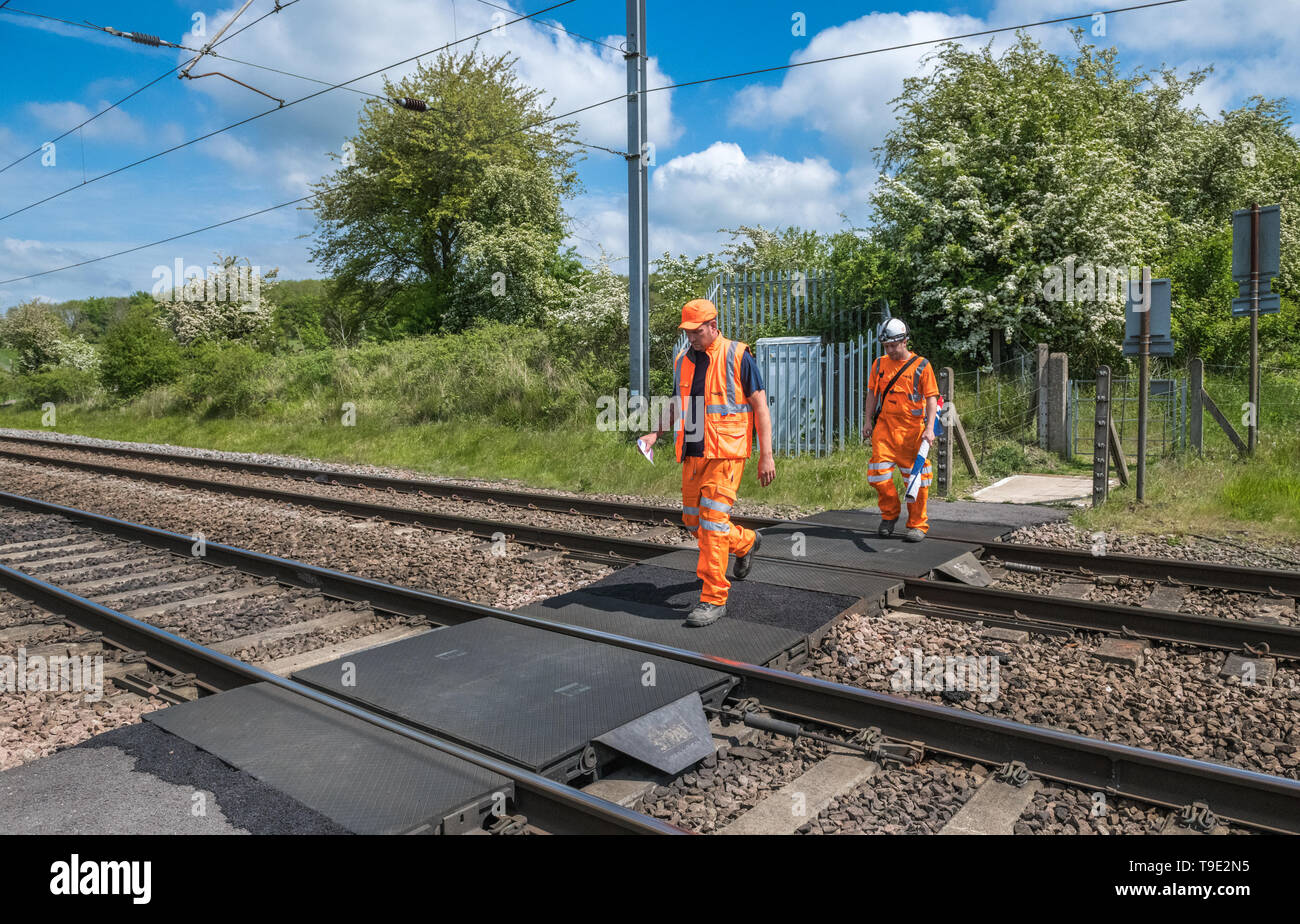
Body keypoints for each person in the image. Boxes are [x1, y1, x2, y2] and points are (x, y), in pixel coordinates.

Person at [639, 299, 776, 627]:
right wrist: (653, 434)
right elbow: (676, 405)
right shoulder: (682, 361)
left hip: (726, 454)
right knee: (694, 522)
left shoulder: (738, 355)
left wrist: (766, 455)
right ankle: (744, 542)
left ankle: (714, 598)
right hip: (693, 453)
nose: (692, 338)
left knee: (713, 523)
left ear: (713, 326)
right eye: (687, 332)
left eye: (697, 331)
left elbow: (760, 407)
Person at [861, 318, 939, 542]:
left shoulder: (922, 366)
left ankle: (917, 525)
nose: (890, 350)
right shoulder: (879, 365)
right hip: (885, 429)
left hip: (912, 433)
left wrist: (930, 428)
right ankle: (889, 514)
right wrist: (868, 421)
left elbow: (932, 397)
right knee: (878, 475)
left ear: (905, 341)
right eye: (886, 346)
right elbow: (872, 394)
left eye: (893, 345)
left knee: (917, 480)